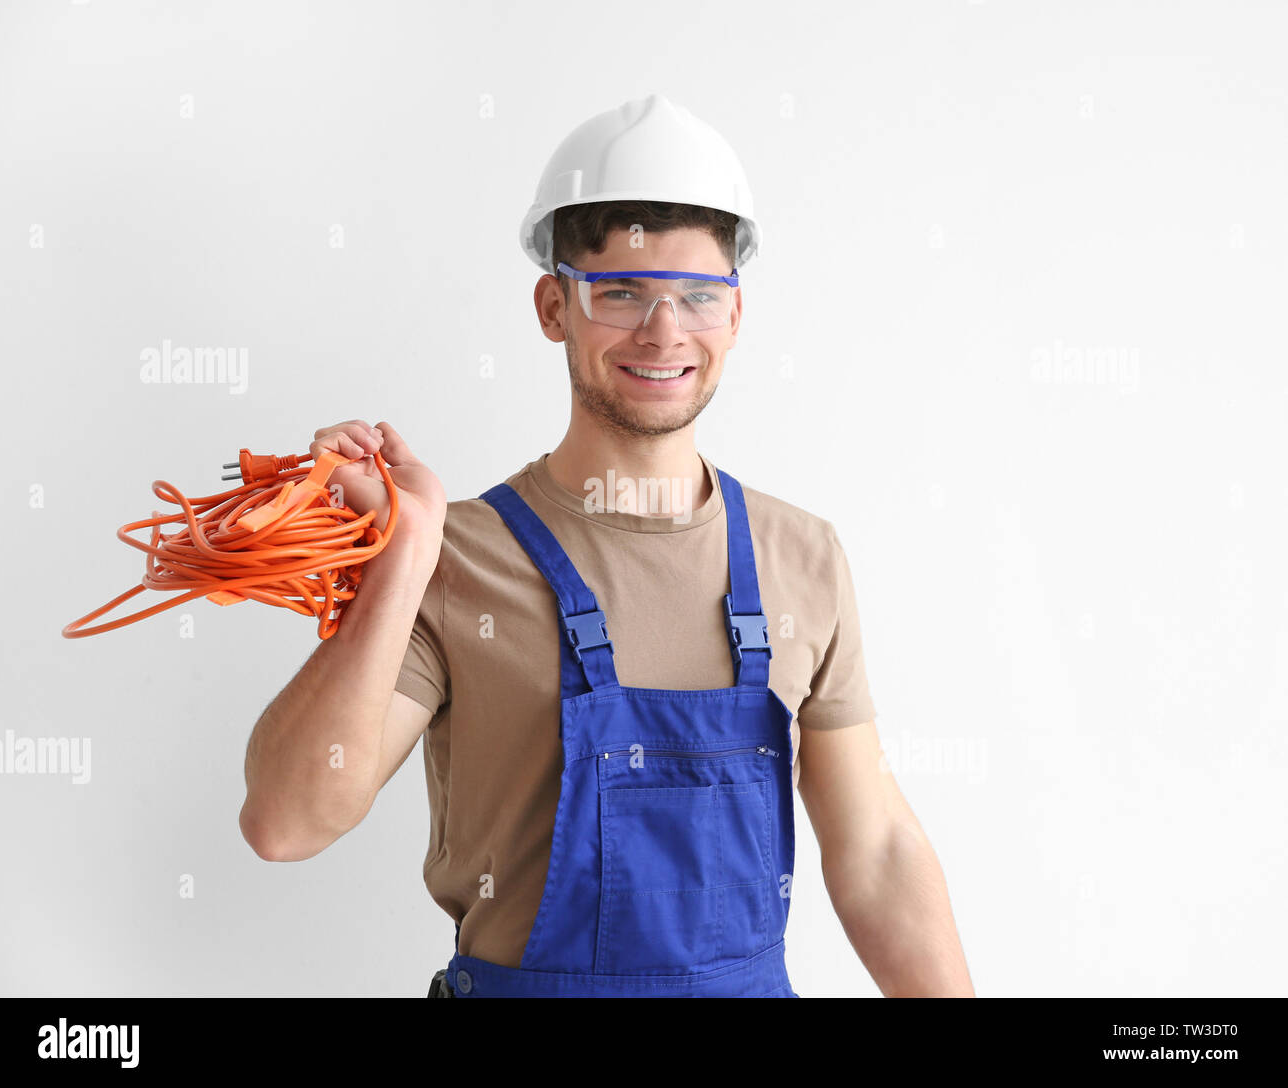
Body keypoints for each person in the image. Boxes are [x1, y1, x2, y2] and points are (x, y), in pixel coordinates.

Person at [239, 94, 974, 998]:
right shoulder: (457, 555)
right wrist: (404, 555)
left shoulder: (804, 557)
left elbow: (875, 852)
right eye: (620, 292)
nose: (664, 332)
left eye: (698, 296)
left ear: (735, 316)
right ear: (555, 305)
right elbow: (287, 822)